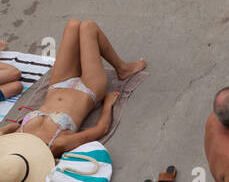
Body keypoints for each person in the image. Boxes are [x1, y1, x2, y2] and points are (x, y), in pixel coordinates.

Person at [0, 19, 144, 157]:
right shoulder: (57, 144)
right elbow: (101, 129)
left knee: (73, 25)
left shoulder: (18, 138)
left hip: (58, 84)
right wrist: (107, 104)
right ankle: (123, 69)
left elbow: (7, 130)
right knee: (89, 27)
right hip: (88, 90)